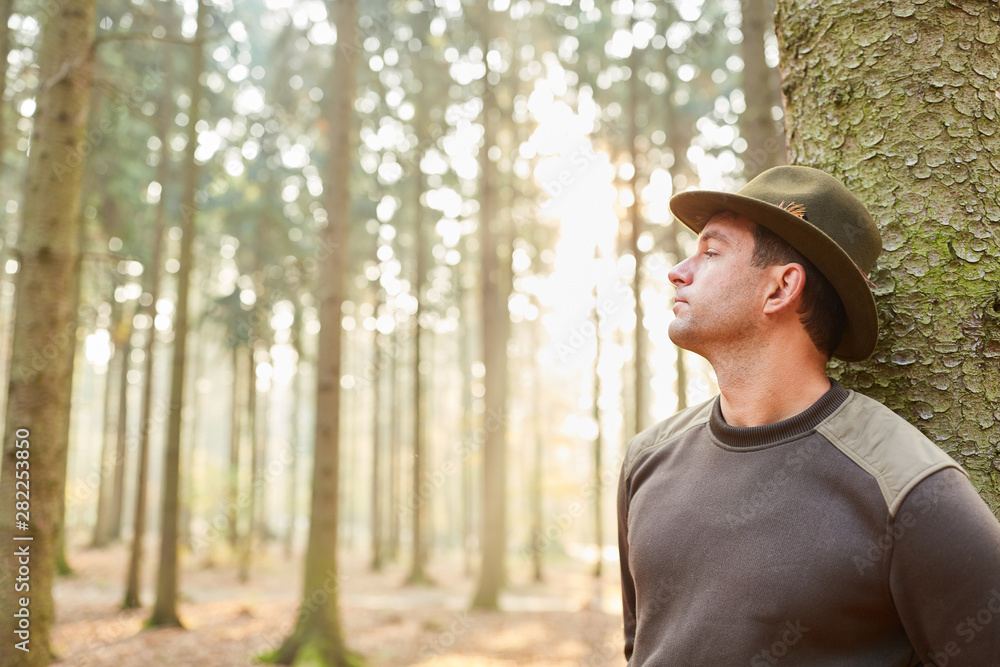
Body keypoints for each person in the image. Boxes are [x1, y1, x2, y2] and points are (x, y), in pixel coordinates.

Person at [617, 165, 1000, 666]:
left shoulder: (908, 488)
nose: (678, 271)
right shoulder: (648, 460)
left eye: (711, 252)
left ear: (780, 288)